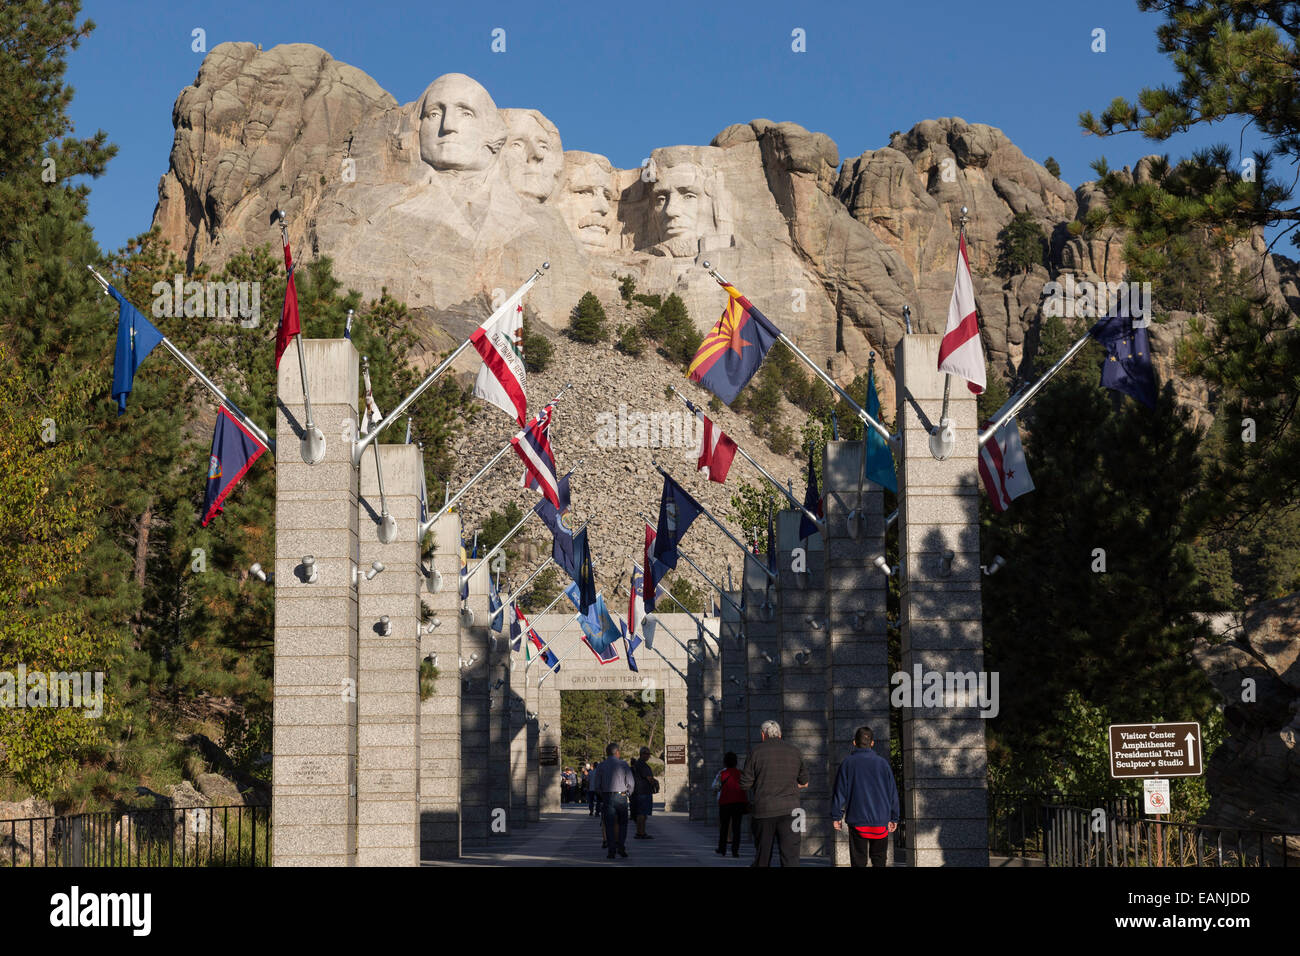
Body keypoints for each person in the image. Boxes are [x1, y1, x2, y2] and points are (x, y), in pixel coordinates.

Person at [739, 720, 809, 867]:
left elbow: (744, 784)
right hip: (793, 811)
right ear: (780, 734)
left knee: (763, 856)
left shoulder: (756, 752)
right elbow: (804, 781)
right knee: (791, 856)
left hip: (764, 810)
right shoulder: (794, 751)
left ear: (763, 735)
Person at [830, 726, 899, 868]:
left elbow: (840, 791)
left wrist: (836, 816)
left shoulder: (847, 763)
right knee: (879, 860)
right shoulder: (883, 764)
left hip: (857, 820)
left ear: (854, 743)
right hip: (880, 820)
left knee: (858, 861)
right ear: (872, 743)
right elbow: (892, 792)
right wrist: (894, 817)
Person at [590, 742, 636, 859]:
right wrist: (628, 793)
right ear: (617, 752)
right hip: (621, 796)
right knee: (623, 823)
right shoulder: (623, 764)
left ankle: (611, 850)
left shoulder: (601, 765)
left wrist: (603, 794)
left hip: (607, 797)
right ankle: (620, 846)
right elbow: (631, 782)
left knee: (609, 824)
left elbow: (597, 785)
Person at [711, 752, 747, 857]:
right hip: (739, 803)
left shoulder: (722, 774)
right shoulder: (741, 773)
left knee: (724, 827)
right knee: (737, 828)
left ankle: (722, 849)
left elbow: (715, 787)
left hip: (725, 803)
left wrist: (715, 793)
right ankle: (735, 851)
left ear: (725, 762)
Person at [630, 747, 658, 840]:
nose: (649, 756)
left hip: (638, 792)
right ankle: (640, 832)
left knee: (641, 814)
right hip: (643, 792)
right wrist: (655, 782)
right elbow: (649, 778)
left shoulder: (637, 764)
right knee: (642, 814)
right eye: (647, 754)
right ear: (643, 754)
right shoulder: (642, 765)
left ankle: (641, 832)